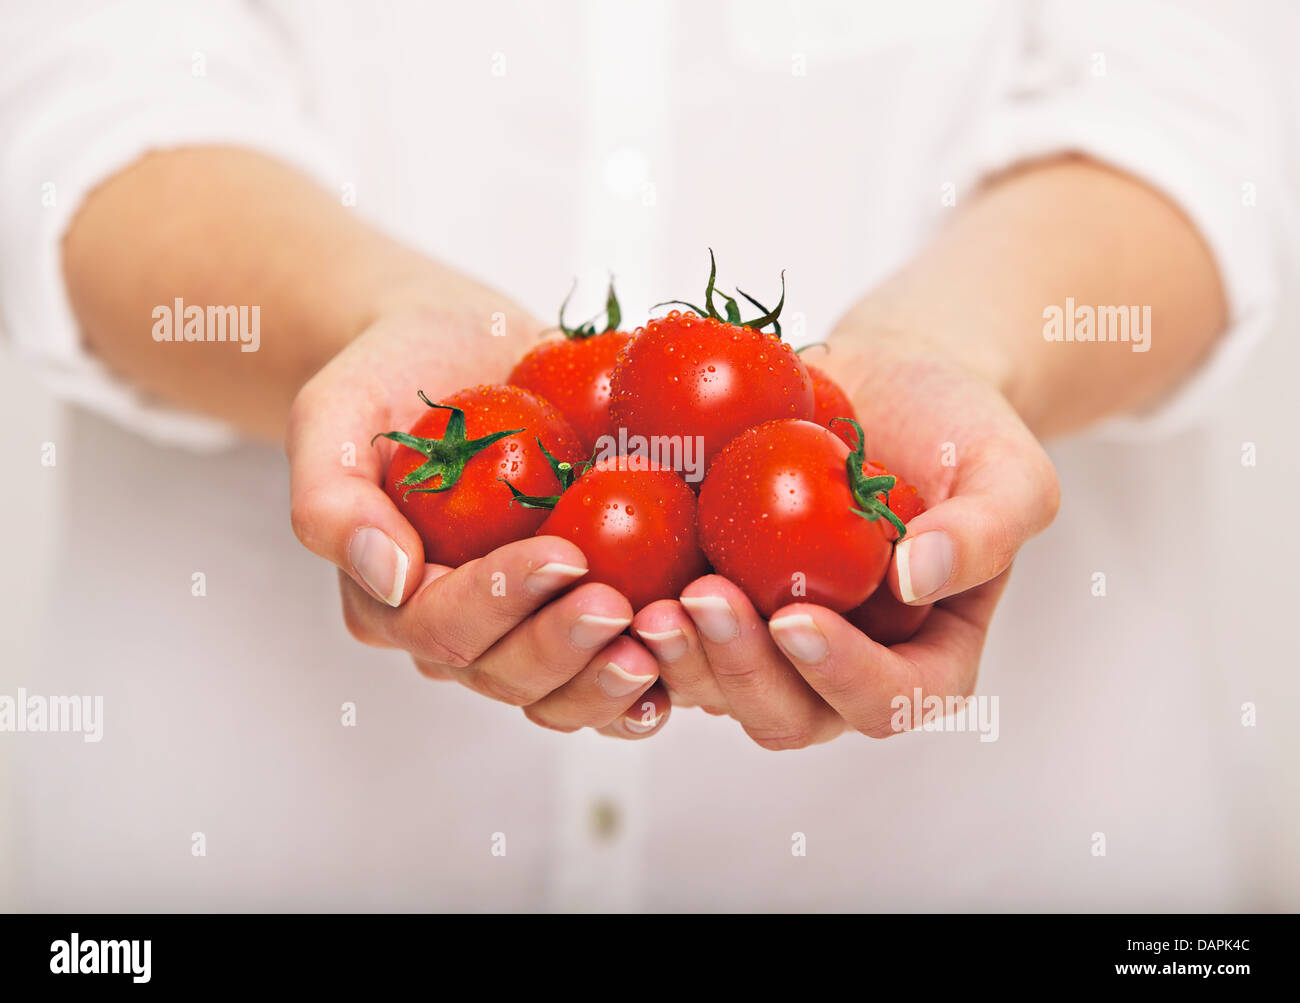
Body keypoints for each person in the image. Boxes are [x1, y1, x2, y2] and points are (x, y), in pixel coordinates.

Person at [2, 1, 1295, 910]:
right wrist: (359, 318)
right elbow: (83, 107)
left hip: (995, 858)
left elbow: (1202, 120)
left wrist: (959, 345)